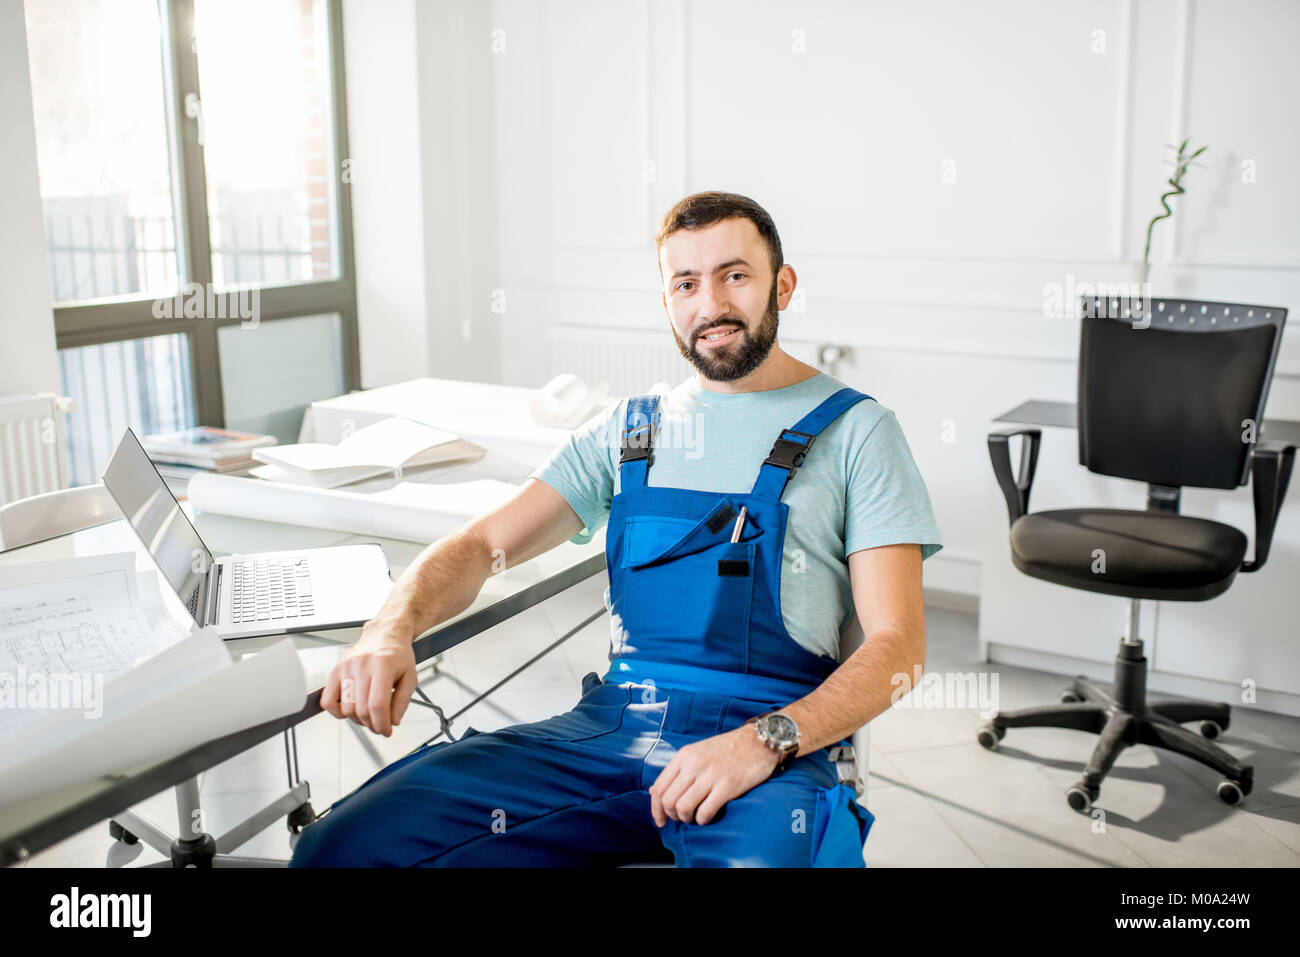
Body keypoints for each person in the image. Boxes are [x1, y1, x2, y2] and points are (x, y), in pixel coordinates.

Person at [289, 191, 942, 867]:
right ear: (667, 303)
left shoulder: (859, 431)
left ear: (783, 284)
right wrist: (390, 627)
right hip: (608, 731)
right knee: (342, 845)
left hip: (767, 751)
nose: (710, 304)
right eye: (685, 283)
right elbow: (482, 545)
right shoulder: (631, 430)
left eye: (735, 275)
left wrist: (766, 739)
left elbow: (899, 646)